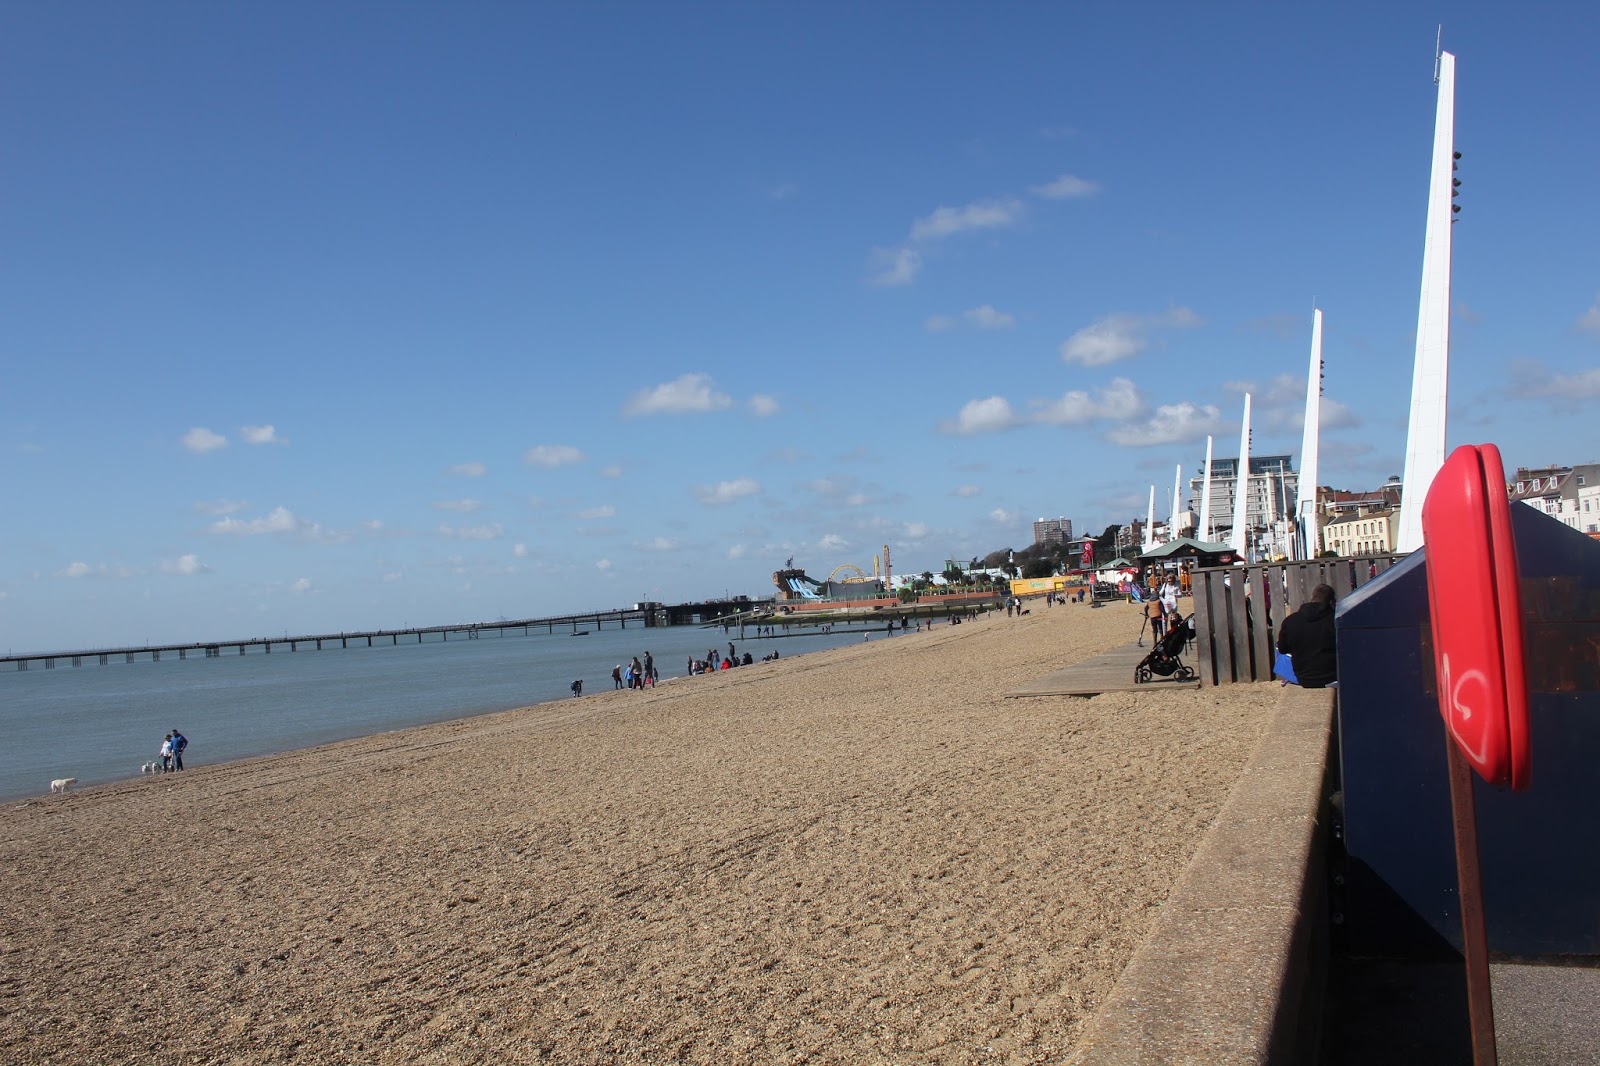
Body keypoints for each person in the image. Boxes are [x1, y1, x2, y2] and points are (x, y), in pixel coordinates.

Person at [1277, 584, 1338, 689]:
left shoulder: (1291, 620)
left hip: (1303, 678)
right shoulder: (1334, 620)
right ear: (1332, 603)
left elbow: (1282, 649)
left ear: (1311, 598)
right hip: (1332, 677)